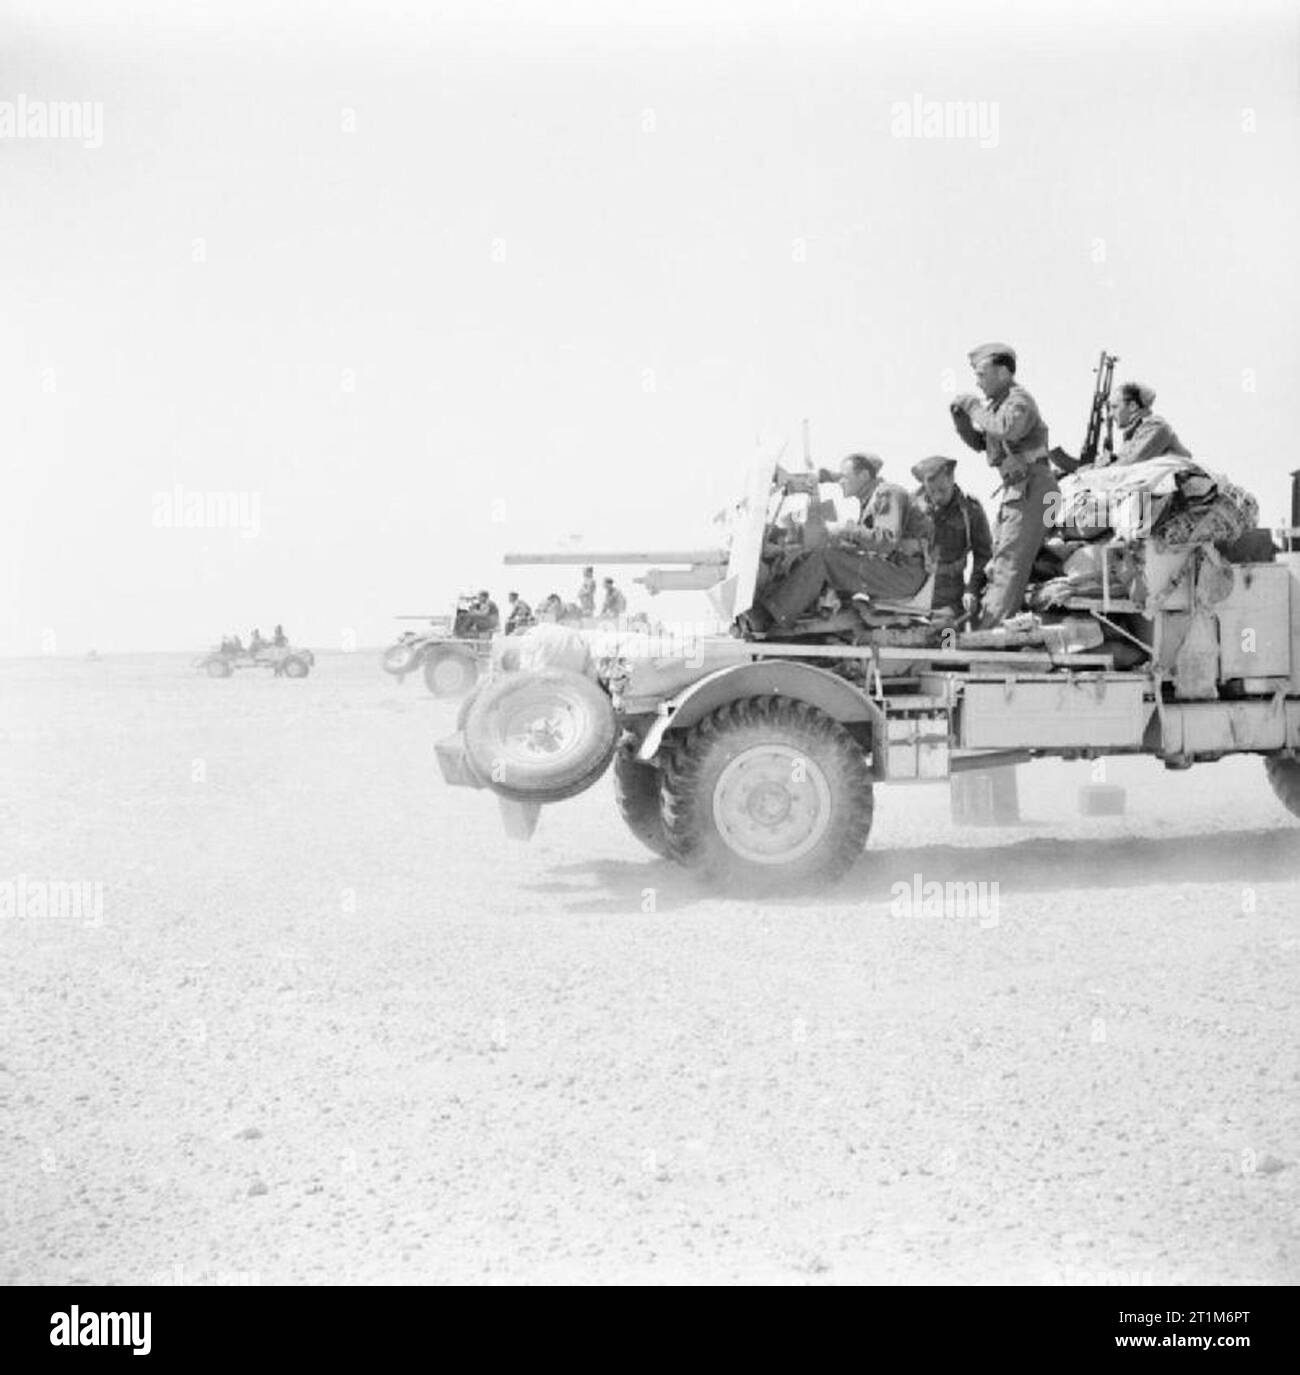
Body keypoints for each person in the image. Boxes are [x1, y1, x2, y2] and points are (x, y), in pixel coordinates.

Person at [750, 453, 931, 631]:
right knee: (827, 553)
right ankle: (802, 612)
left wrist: (845, 530)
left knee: (825, 559)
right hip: (894, 571)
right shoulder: (870, 501)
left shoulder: (886, 493)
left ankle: (772, 616)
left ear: (864, 476)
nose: (840, 482)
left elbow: (886, 540)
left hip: (903, 574)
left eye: (845, 476)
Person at [950, 342, 1060, 627]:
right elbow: (982, 443)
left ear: (1002, 372)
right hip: (1027, 490)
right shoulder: (998, 407)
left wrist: (973, 407)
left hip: (1034, 490)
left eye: (982, 373)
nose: (978, 381)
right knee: (1004, 560)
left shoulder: (1018, 401)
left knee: (1008, 563)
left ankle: (990, 631)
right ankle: (1000, 623)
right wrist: (962, 421)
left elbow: (1006, 429)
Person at [910, 456, 993, 619]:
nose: (937, 497)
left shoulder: (971, 510)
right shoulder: (911, 506)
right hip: (913, 593)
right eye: (932, 491)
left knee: (947, 641)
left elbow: (984, 555)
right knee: (904, 640)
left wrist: (972, 589)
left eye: (942, 490)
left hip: (950, 598)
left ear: (952, 479)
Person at [1103, 382, 1192, 466]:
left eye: (1115, 407)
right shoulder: (1136, 432)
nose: (1110, 414)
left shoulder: (1156, 427)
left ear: (1132, 406)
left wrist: (1104, 465)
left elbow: (1131, 465)